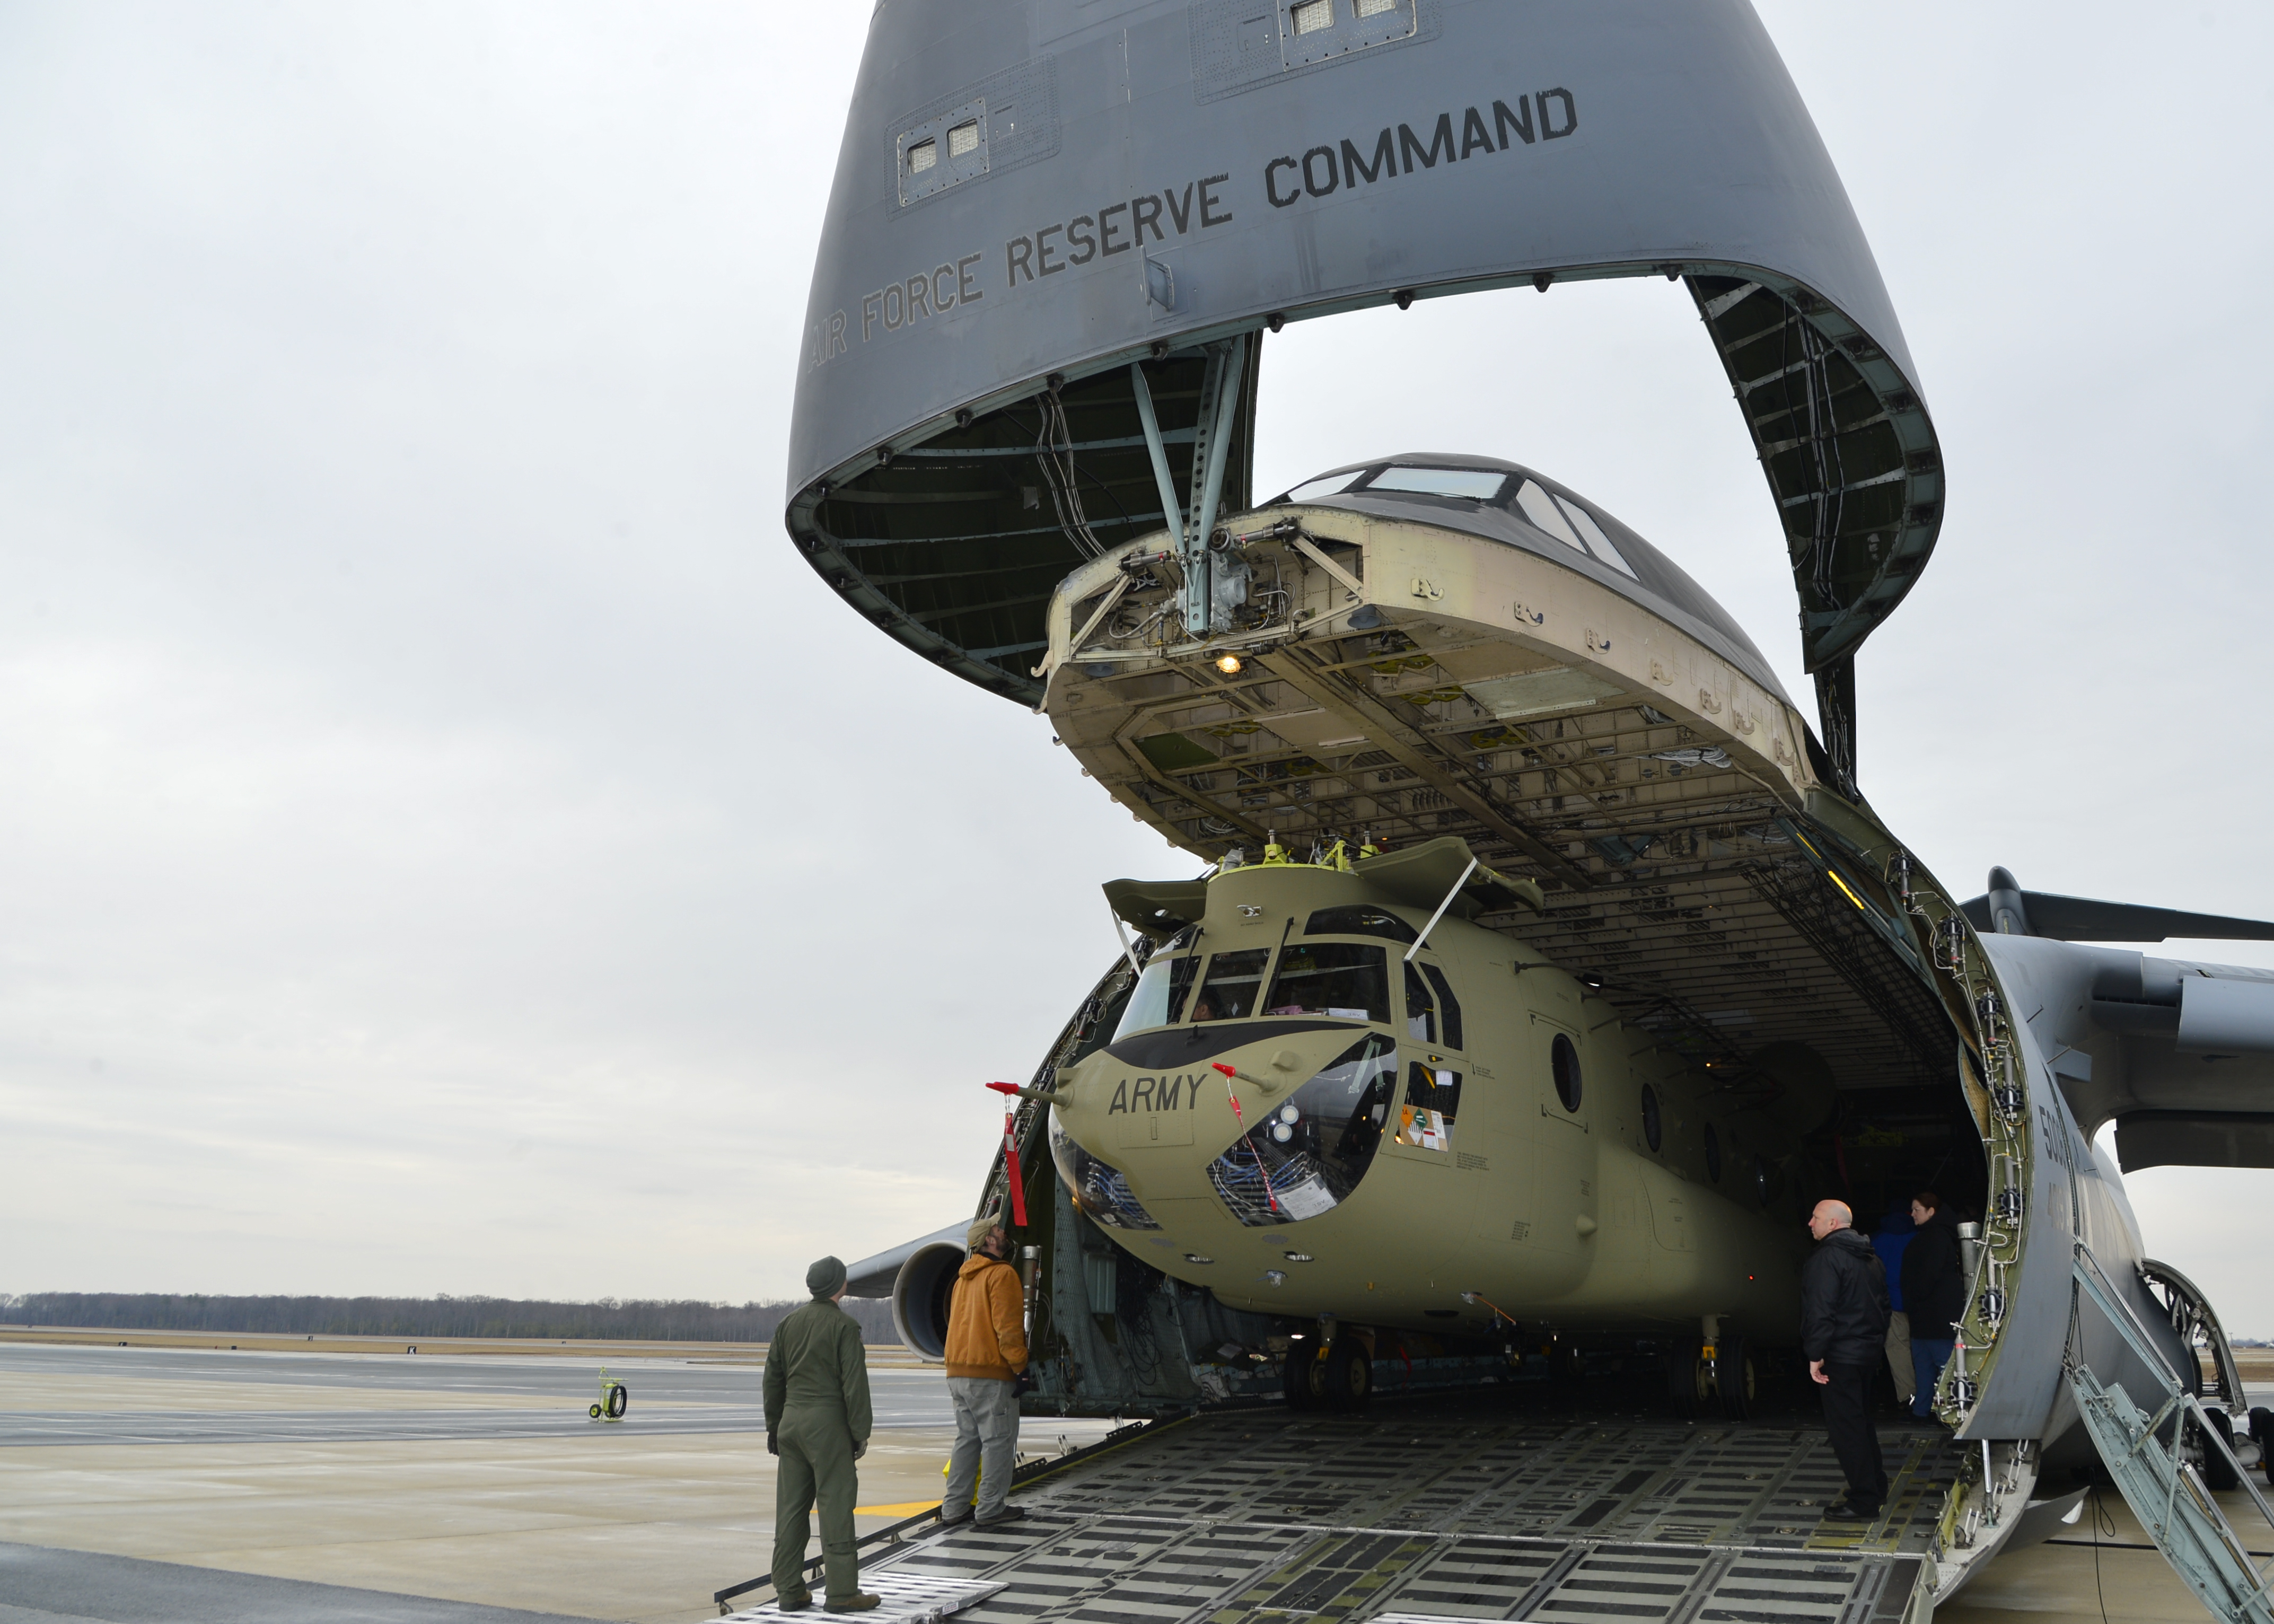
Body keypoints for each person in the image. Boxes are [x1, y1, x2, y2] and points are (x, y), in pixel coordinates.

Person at [763, 1257, 879, 1614]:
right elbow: (854, 1386)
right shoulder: (844, 1327)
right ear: (839, 1286)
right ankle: (842, 1591)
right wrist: (859, 1432)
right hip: (826, 1425)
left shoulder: (788, 1323)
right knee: (835, 1506)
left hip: (791, 1422)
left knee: (791, 1509)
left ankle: (789, 1590)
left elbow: (772, 1379)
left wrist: (774, 1427)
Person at [1802, 1198, 1892, 1523]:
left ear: (1833, 1224)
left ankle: (1864, 1501)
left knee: (1846, 1431)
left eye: (1816, 1217)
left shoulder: (1827, 1259)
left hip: (1840, 1357)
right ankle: (1876, 1487)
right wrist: (1872, 1344)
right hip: (1866, 1355)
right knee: (1862, 1424)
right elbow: (1884, 1309)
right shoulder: (1871, 1259)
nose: (1810, 1223)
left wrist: (1815, 1355)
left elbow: (1820, 1312)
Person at [941, 1216, 1030, 1526]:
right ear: (989, 1242)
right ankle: (990, 1509)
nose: (1002, 1231)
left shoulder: (962, 1280)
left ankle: (953, 1508)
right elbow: (1008, 1330)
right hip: (990, 1374)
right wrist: (1021, 1368)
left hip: (958, 1374)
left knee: (967, 1440)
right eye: (997, 1230)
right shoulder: (1001, 1275)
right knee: (998, 1440)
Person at [1901, 1191, 1967, 1419]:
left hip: (1933, 1316)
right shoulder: (1939, 1236)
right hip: (1932, 1316)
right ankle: (1938, 1412)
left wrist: (1914, 1297)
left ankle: (1939, 1412)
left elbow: (1927, 1276)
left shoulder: (1935, 1238)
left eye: (1917, 1210)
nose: (1913, 1215)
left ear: (1932, 1212)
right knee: (1935, 1367)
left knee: (1936, 1367)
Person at [1872, 1203, 1918, 1410]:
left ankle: (1908, 1397)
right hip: (1918, 1304)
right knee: (1923, 1351)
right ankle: (1930, 1397)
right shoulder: (1918, 1237)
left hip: (1891, 1303)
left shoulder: (1878, 1240)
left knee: (1898, 1350)